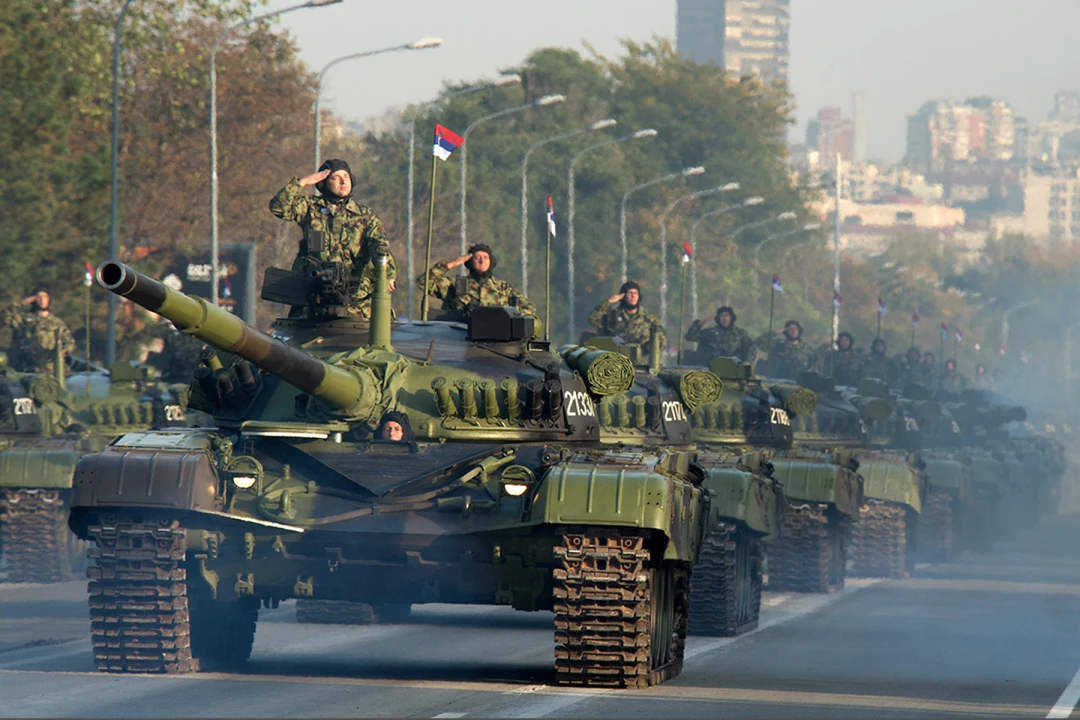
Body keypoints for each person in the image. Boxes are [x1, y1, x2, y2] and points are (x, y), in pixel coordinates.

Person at [269, 158, 397, 318]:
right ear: (323, 182)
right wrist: (303, 183)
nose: (343, 181)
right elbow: (278, 207)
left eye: (346, 176)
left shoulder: (364, 215)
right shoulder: (310, 208)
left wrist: (387, 275)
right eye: (335, 178)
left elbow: (380, 245)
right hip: (314, 298)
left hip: (354, 299)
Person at [415, 244, 537, 326]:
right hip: (458, 338)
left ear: (491, 261)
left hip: (495, 341)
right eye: (477, 258)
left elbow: (529, 307)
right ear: (469, 261)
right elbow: (423, 282)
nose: (482, 261)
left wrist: (514, 317)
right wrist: (451, 265)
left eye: (485, 257)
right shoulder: (457, 285)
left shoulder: (503, 289)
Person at [7, 287, 77, 375]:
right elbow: (5, 316)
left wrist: (63, 351)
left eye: (45, 297)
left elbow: (70, 343)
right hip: (26, 369)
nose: (42, 300)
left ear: (49, 300)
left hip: (50, 369)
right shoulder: (23, 320)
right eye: (38, 297)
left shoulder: (57, 323)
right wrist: (20, 303)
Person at [587, 281, 666, 351]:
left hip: (643, 363)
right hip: (618, 361)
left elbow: (661, 340)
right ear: (623, 296)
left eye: (635, 293)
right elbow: (593, 319)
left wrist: (648, 348)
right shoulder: (613, 315)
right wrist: (608, 302)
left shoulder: (648, 317)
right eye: (630, 293)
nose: (633, 296)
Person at [685, 306, 756, 362]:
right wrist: (699, 324)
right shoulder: (709, 332)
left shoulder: (740, 333)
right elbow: (690, 337)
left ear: (731, 318)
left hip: (734, 368)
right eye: (722, 315)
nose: (724, 318)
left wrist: (747, 362)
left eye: (727, 315)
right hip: (711, 367)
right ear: (718, 318)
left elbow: (750, 348)